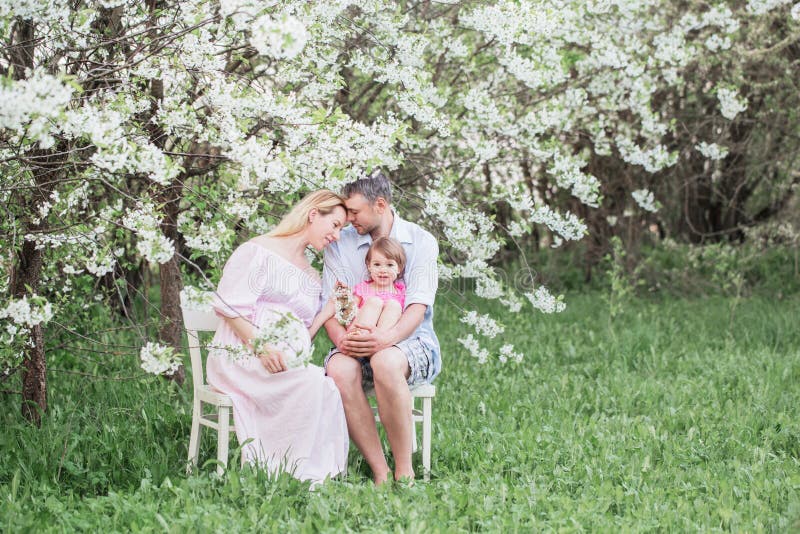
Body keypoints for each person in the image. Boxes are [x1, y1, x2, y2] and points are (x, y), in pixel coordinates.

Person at [207, 189, 349, 484]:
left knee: (325, 387)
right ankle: (282, 470)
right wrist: (261, 347)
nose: (336, 235)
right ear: (313, 214)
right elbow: (229, 307)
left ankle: (306, 471)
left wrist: (326, 314)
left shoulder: (311, 275)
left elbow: (303, 334)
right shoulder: (259, 250)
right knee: (311, 383)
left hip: (284, 361)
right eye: (334, 225)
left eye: (342, 230)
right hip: (243, 352)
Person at [322, 173, 441, 484]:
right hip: (355, 334)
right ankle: (380, 471)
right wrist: (344, 341)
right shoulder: (340, 245)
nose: (347, 220)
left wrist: (385, 339)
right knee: (339, 369)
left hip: (408, 340)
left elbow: (417, 307)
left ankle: (404, 471)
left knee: (385, 361)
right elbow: (333, 305)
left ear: (380, 204)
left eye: (354, 212)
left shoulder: (421, 241)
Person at [346, 237, 407, 335]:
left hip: (383, 338)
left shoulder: (401, 293)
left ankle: (377, 341)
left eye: (390, 265)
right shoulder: (363, 288)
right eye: (377, 264)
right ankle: (359, 339)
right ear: (369, 266)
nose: (383, 270)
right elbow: (348, 314)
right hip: (359, 330)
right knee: (374, 302)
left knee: (394, 306)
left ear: (399, 268)